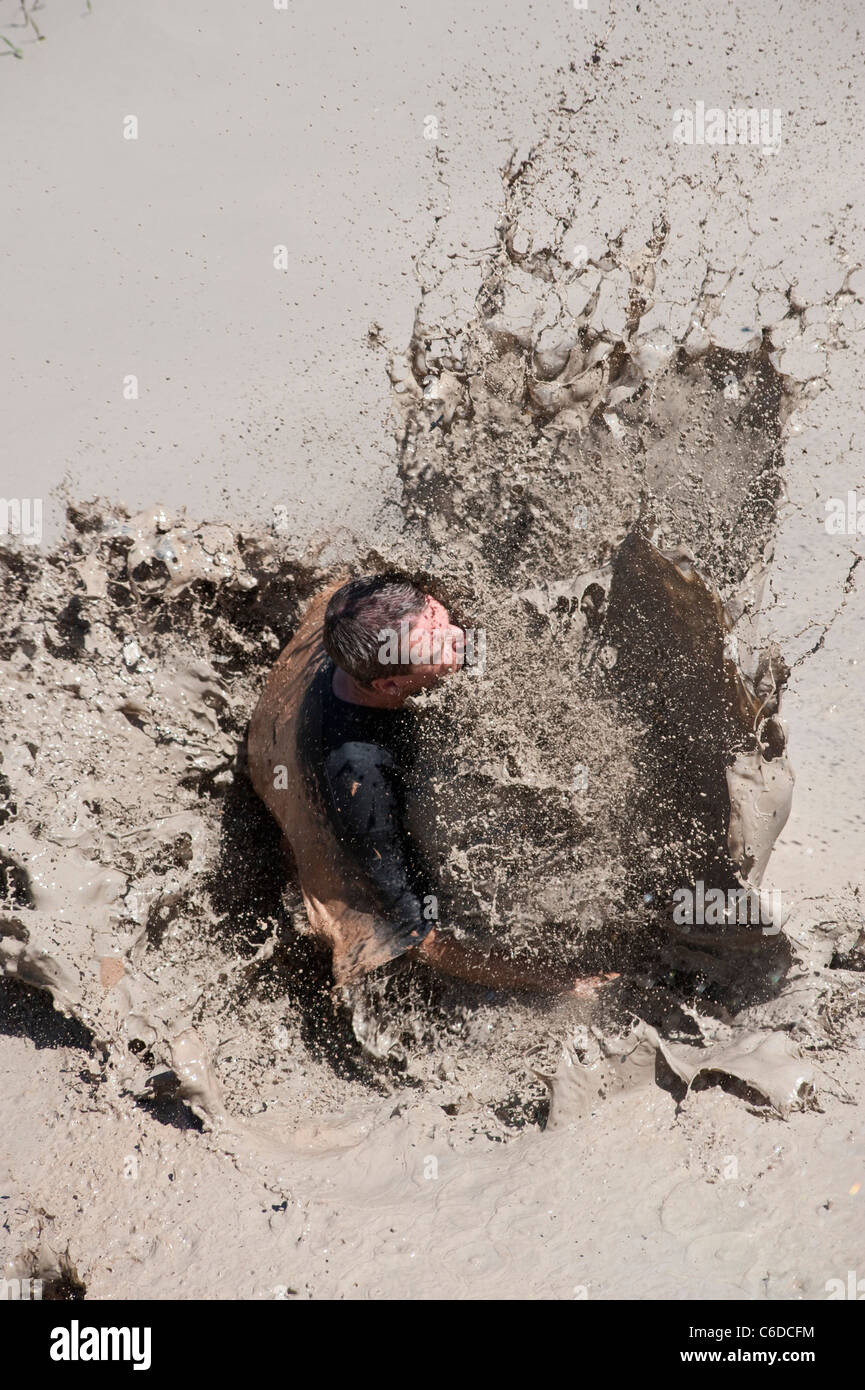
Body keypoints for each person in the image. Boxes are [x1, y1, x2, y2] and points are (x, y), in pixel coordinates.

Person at [248, 573, 616, 997]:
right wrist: (563, 983)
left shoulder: (365, 607)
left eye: (442, 620)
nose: (463, 638)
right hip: (308, 780)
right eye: (440, 646)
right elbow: (421, 941)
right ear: (390, 685)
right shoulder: (359, 778)